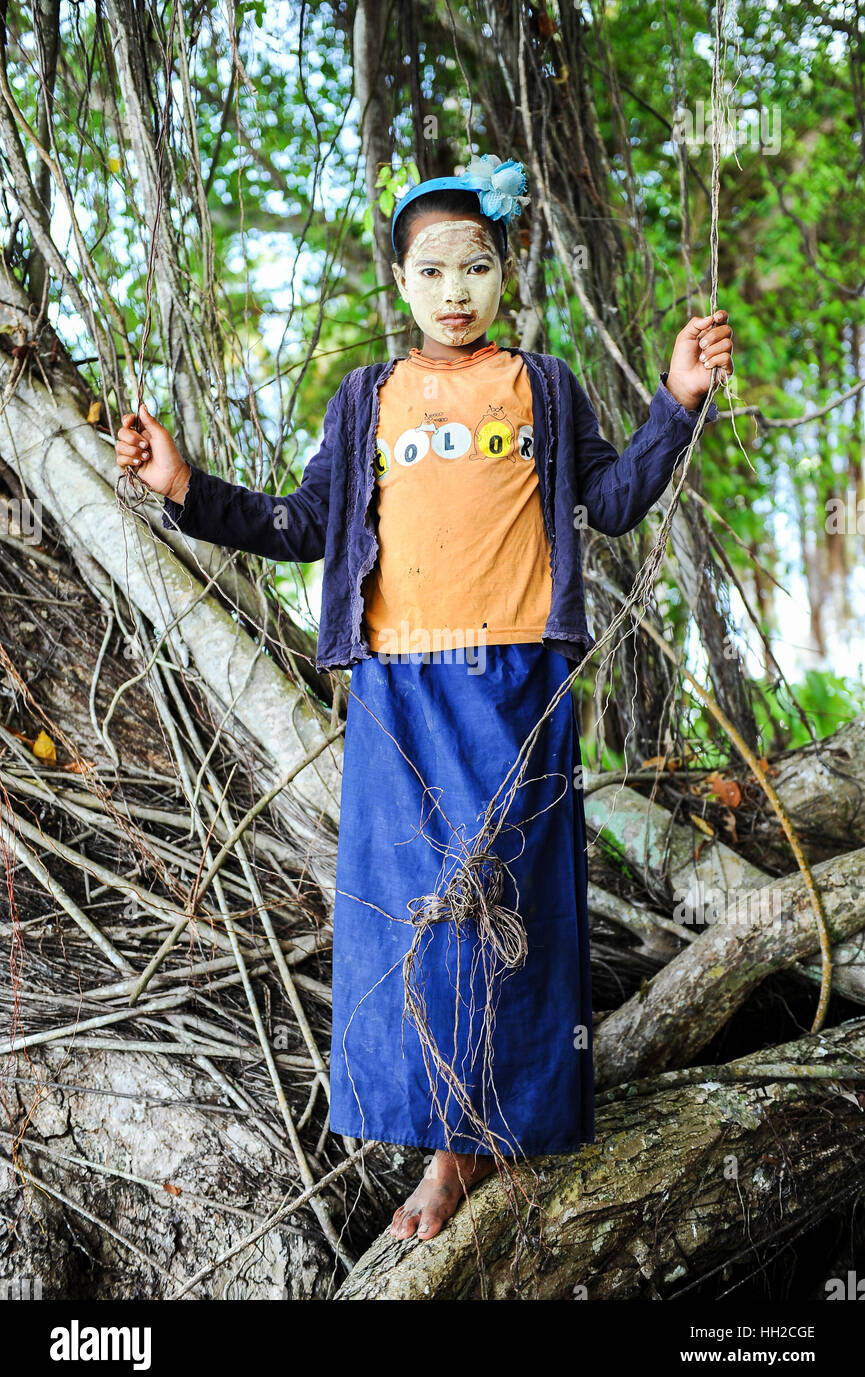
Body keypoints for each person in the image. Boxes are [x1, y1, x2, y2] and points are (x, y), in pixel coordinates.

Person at [115, 152, 733, 1244]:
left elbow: (616, 499)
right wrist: (181, 487)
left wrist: (676, 399)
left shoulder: (541, 387)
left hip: (515, 685)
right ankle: (444, 1148)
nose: (457, 291)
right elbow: (297, 527)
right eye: (434, 271)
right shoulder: (369, 401)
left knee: (512, 910)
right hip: (398, 694)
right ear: (401, 284)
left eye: (478, 267)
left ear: (506, 276)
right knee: (413, 918)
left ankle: (505, 1133)